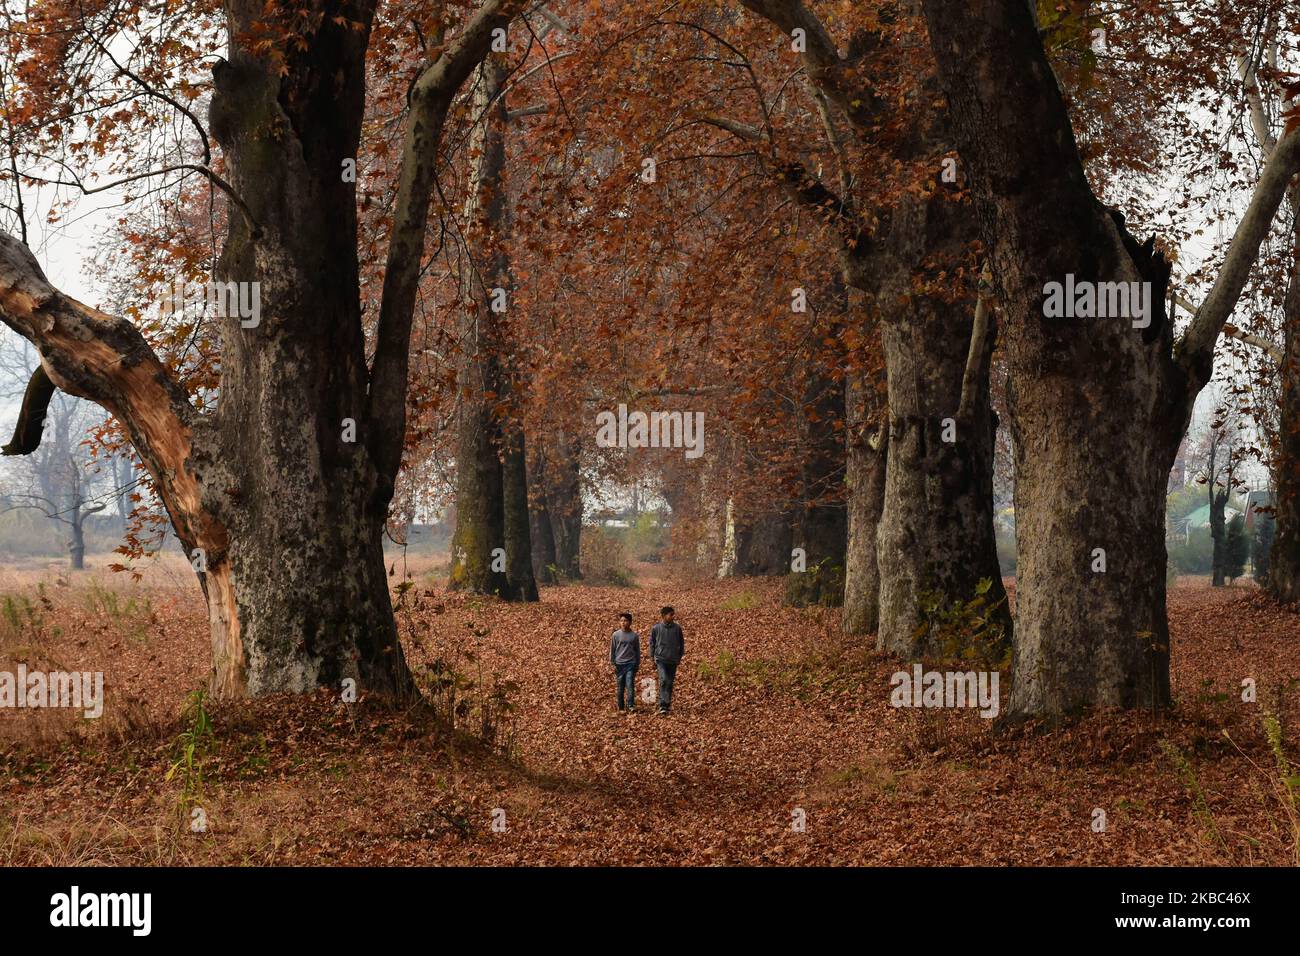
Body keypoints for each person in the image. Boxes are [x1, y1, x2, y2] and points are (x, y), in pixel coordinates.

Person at [648, 606, 685, 715]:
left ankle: (667, 704)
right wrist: (652, 658)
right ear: (664, 616)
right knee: (663, 680)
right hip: (661, 659)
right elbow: (652, 644)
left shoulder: (677, 628)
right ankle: (662, 705)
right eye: (671, 615)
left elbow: (681, 643)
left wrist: (679, 657)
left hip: (673, 660)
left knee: (669, 682)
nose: (673, 616)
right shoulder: (656, 628)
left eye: (673, 614)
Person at [609, 612, 641, 713]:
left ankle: (631, 705)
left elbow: (637, 650)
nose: (623, 623)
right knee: (620, 686)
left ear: (630, 622)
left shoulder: (634, 636)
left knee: (630, 684)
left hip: (630, 663)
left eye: (625, 621)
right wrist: (612, 663)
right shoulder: (616, 635)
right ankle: (621, 706)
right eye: (621, 621)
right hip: (619, 664)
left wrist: (637, 663)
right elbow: (612, 649)